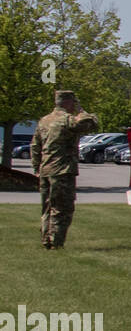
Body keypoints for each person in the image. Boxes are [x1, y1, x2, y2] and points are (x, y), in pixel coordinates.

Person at [31, 89, 99, 249]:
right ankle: (56, 242)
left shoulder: (44, 121)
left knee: (47, 207)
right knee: (62, 208)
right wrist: (82, 110)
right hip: (62, 170)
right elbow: (91, 124)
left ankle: (46, 239)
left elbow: (35, 145)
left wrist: (36, 167)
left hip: (45, 170)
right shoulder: (68, 120)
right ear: (69, 102)